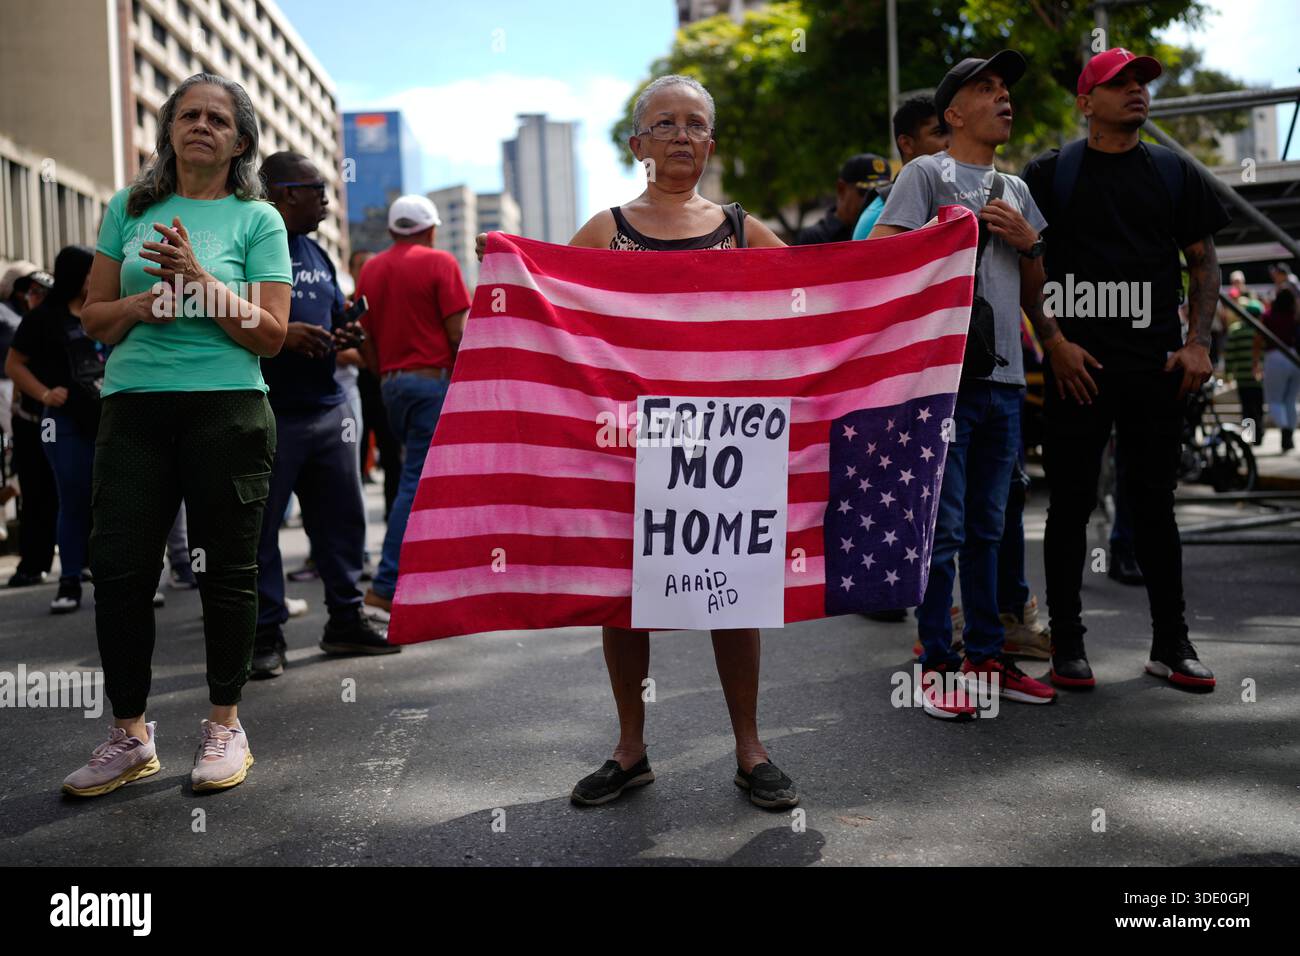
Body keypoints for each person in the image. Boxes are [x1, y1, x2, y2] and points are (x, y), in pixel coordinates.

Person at [475, 74, 796, 809]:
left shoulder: (745, 229)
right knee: (620, 596)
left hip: (722, 447)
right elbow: (546, 313)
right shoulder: (604, 230)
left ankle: (751, 749)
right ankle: (630, 748)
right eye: (664, 124)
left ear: (711, 143)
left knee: (731, 592)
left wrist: (918, 252)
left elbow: (817, 294)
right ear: (636, 143)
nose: (681, 136)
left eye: (694, 124)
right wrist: (503, 265)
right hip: (626, 442)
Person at [63, 72, 291, 797]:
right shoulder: (128, 209)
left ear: (240, 141)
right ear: (168, 129)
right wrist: (137, 304)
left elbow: (273, 336)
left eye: (217, 118)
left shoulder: (259, 220)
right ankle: (129, 735)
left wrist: (198, 278)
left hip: (226, 407)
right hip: (134, 408)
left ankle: (225, 725)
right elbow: (92, 317)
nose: (200, 124)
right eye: (187, 114)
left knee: (228, 570)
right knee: (122, 571)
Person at [1021, 48, 1231, 690]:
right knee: (1071, 506)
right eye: (1120, 83)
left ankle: (1172, 643)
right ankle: (1069, 645)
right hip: (1075, 370)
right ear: (1086, 102)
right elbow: (1028, 264)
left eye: (1142, 81)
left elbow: (1202, 261)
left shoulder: (1174, 171)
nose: (1137, 90)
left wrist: (1197, 344)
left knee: (1154, 507)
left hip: (1155, 370)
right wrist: (1052, 341)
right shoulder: (1050, 174)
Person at [871, 50, 1061, 717]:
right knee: (943, 528)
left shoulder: (1018, 190)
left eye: (1006, 87)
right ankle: (938, 662)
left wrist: (1027, 244)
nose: (1003, 97)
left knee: (990, 527)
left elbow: (1039, 293)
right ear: (953, 113)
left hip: (1006, 380)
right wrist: (950, 232)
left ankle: (988, 657)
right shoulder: (926, 172)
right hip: (942, 381)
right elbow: (885, 256)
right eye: (986, 88)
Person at [250, 151, 394, 679]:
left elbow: (331, 313)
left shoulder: (315, 253)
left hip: (329, 409)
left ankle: (345, 620)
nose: (328, 203)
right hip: (271, 412)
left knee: (341, 523)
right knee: (262, 532)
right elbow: (229, 319)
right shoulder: (251, 242)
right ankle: (265, 634)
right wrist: (282, 338)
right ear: (288, 193)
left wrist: (343, 331)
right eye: (318, 191)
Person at [355, 195, 470, 621]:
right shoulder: (440, 263)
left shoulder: (371, 268)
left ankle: (425, 579)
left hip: (391, 387)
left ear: (392, 231)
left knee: (420, 480)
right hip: (431, 384)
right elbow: (458, 333)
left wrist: (381, 371)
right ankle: (385, 586)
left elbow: (362, 335)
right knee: (416, 483)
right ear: (432, 229)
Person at [6, 245, 99, 613]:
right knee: (73, 499)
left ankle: (127, 582)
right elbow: (14, 365)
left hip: (108, 418)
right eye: (92, 272)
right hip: (62, 423)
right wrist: (44, 392)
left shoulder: (103, 310)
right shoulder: (43, 317)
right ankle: (69, 582)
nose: (98, 278)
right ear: (77, 276)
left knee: (112, 503)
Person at [853, 96, 949, 240]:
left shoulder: (965, 193)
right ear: (906, 144)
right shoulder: (877, 213)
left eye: (953, 132)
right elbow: (863, 260)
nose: (951, 142)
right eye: (939, 133)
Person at [795, 153, 890, 245]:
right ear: (841, 189)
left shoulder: (885, 231)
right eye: (866, 192)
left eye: (881, 194)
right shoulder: (813, 238)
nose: (874, 201)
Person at [1255, 287, 1299, 451]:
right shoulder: (1294, 316)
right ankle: (1287, 434)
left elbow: (1258, 339)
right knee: (1290, 401)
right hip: (1293, 357)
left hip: (1275, 358)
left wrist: (1256, 363)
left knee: (1275, 400)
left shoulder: (1268, 316)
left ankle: (1285, 432)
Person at [1225, 299, 1265, 446]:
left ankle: (1250, 436)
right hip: (1258, 377)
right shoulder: (1261, 330)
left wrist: (1228, 373)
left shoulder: (1235, 330)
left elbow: (1230, 353)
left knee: (1247, 408)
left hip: (1242, 377)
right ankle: (1259, 435)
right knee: (1258, 407)